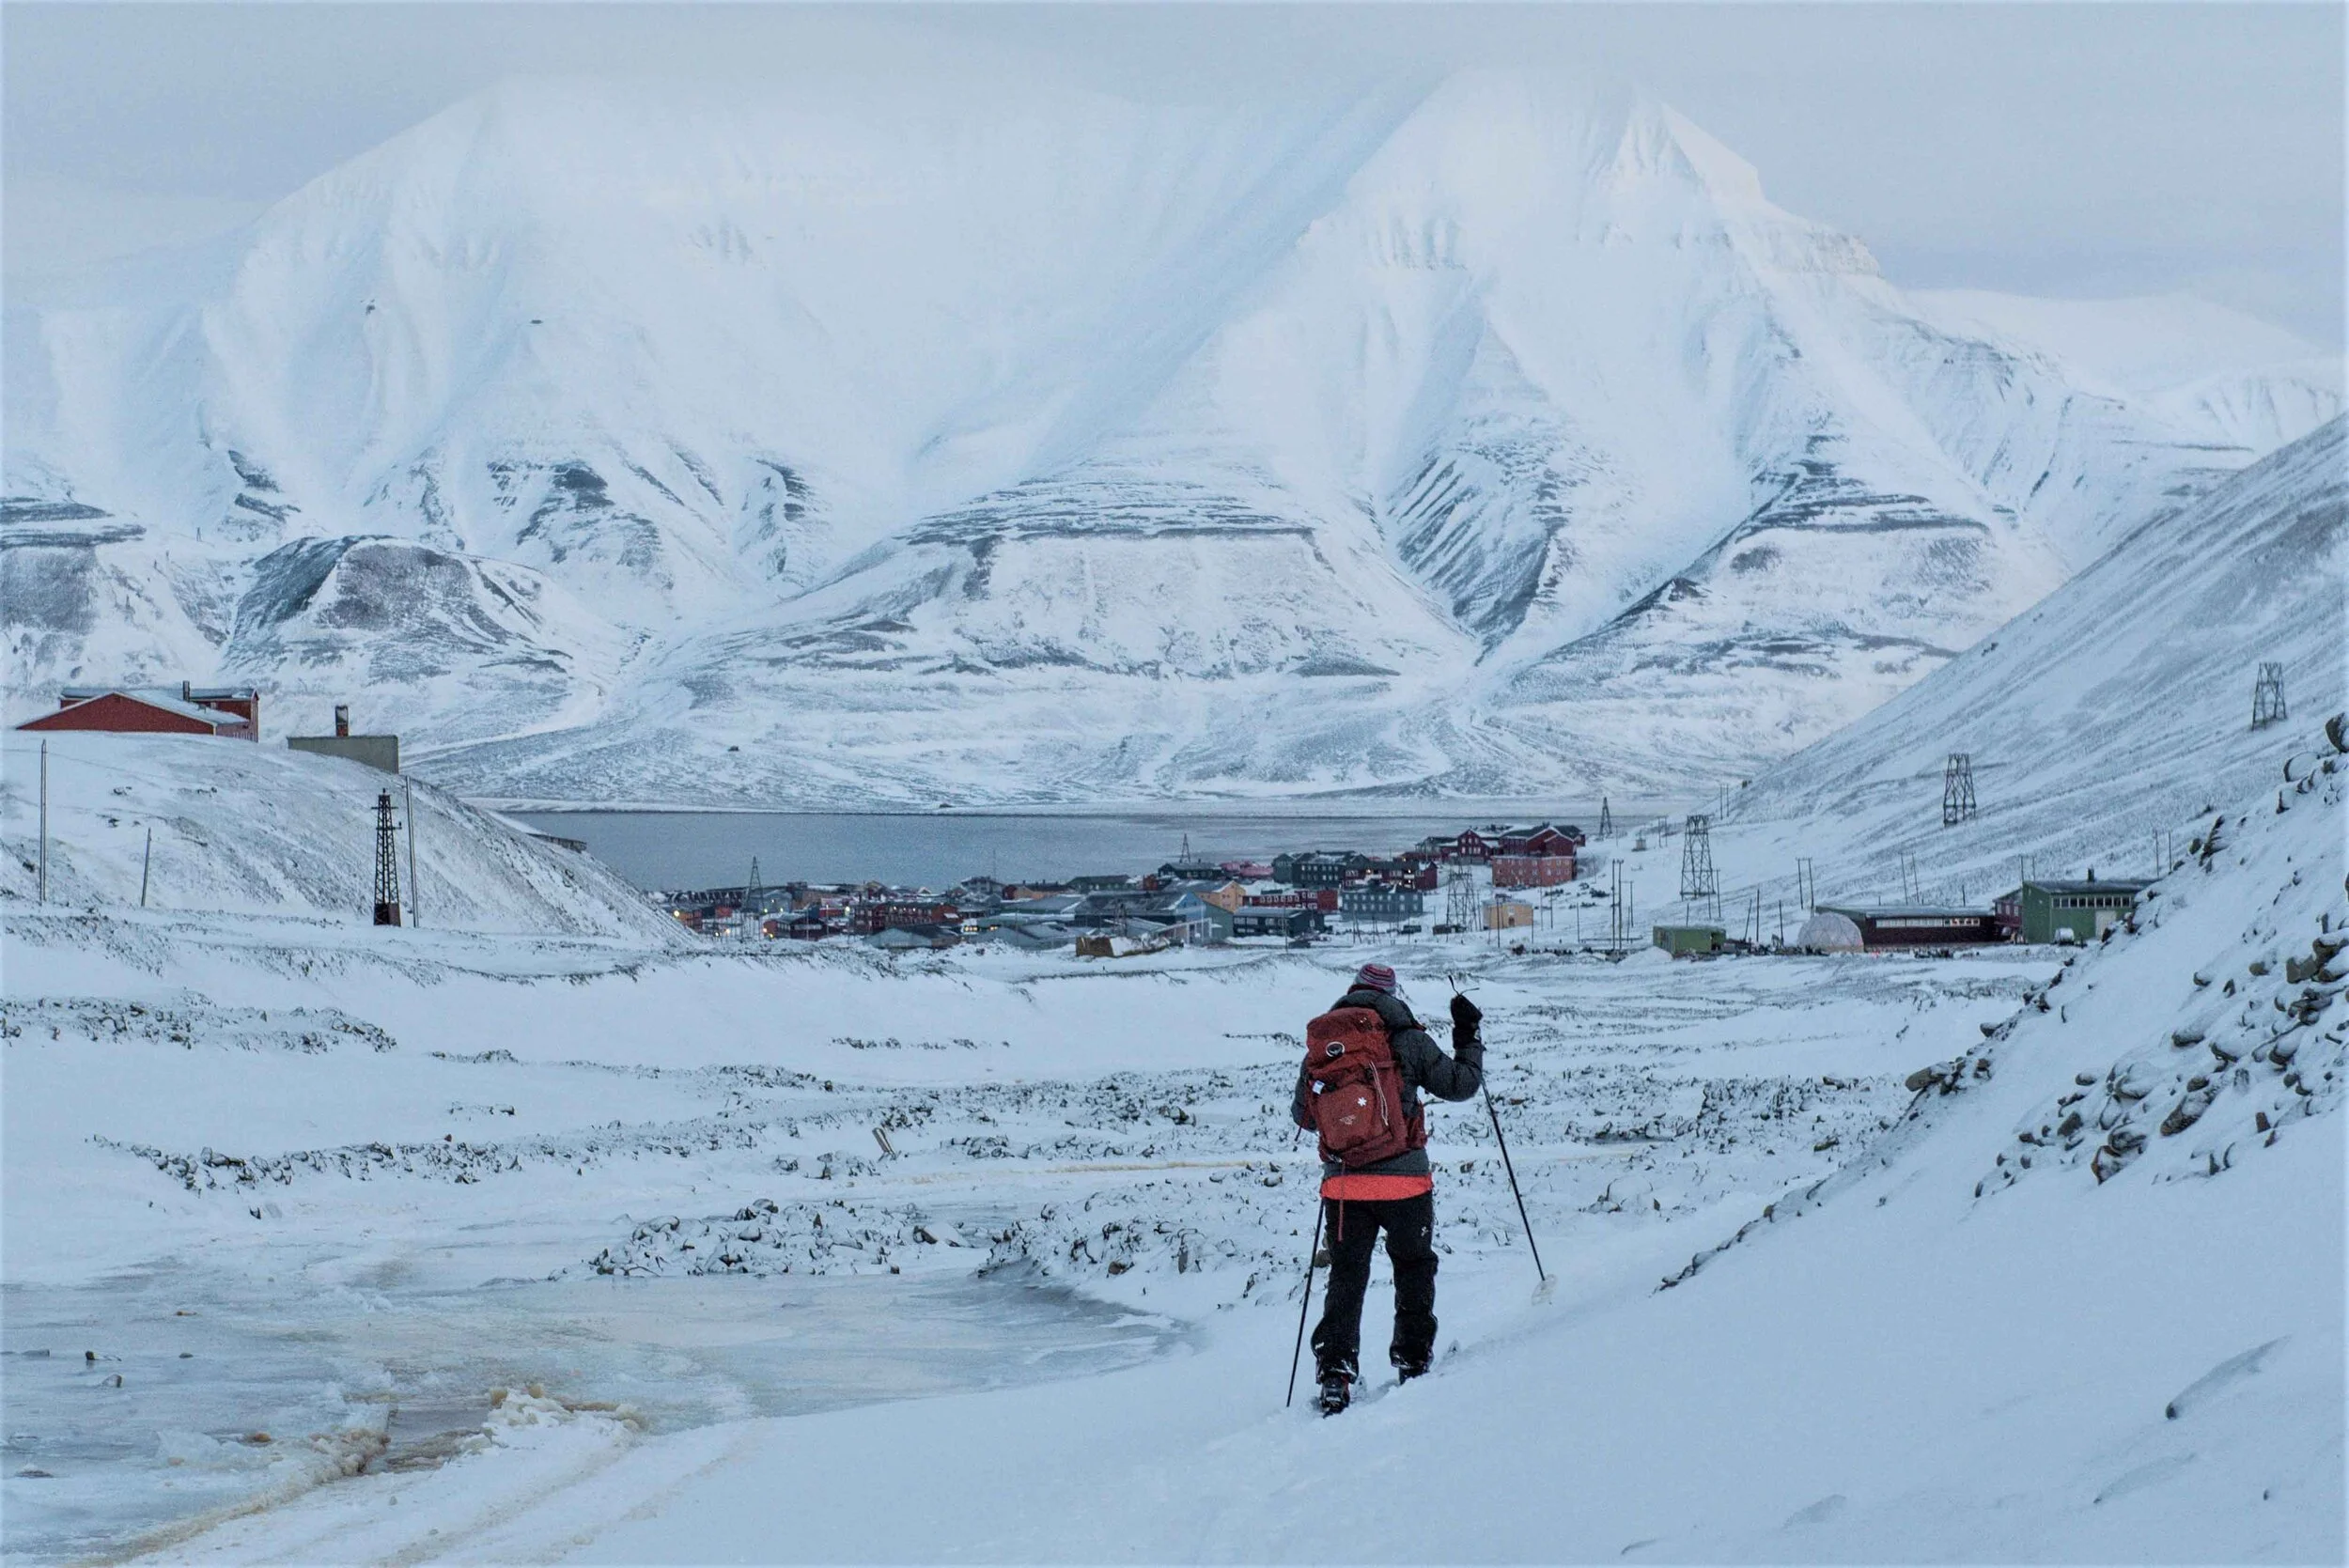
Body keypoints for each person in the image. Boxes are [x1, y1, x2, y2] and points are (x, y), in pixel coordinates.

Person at [1291, 961, 1483, 1414]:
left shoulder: (1324, 1047)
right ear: (1393, 994)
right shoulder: (1409, 1039)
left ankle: (1335, 1374)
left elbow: (1302, 1115)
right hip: (1405, 1183)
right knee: (1413, 1266)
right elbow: (1462, 1085)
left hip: (1343, 1188)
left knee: (1346, 1276)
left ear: (1353, 991)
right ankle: (1413, 1359)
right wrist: (1468, 1037)